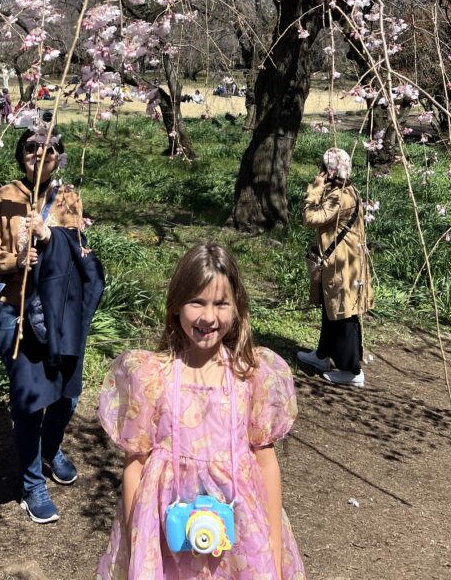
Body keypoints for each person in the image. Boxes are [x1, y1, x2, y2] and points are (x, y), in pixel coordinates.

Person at [96, 244, 305, 580]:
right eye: (197, 302)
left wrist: (275, 559)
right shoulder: (151, 378)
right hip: (167, 540)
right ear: (177, 305)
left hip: (241, 540)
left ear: (237, 308)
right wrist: (140, 549)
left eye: (221, 303)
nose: (209, 317)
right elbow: (135, 466)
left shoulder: (251, 376)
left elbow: (267, 464)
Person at [0, 129, 104, 524]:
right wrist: (17, 261)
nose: (40, 152)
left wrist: (52, 238)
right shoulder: (3, 198)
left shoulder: (68, 198)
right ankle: (33, 484)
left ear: (59, 155)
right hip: (16, 313)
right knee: (29, 404)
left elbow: (81, 251)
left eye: (50, 147)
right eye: (31, 146)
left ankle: (51, 448)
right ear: (20, 153)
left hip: (60, 315)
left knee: (67, 397)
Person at [297, 147, 373, 387]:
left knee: (344, 315)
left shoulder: (339, 196)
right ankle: (322, 355)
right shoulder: (348, 189)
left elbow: (311, 219)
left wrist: (313, 192)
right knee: (333, 310)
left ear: (328, 171)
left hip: (343, 264)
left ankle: (352, 370)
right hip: (344, 261)